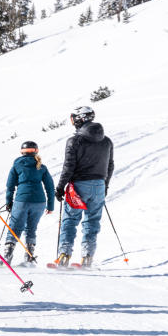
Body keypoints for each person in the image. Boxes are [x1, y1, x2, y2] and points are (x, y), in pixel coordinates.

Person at [54, 105, 114, 268]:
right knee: (92, 221)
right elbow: (110, 165)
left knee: (70, 219)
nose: (72, 122)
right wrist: (105, 185)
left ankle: (64, 254)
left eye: (73, 118)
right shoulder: (106, 141)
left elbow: (68, 166)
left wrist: (60, 188)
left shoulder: (75, 141)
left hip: (79, 186)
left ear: (80, 119)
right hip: (99, 185)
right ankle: (87, 256)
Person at [4, 141, 56, 266]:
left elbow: (10, 186)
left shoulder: (17, 165)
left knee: (15, 227)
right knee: (31, 228)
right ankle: (29, 257)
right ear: (36, 151)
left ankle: (7, 257)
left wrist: (9, 202)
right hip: (39, 202)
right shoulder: (41, 167)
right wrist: (50, 206)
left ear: (22, 152)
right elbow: (50, 187)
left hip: (22, 200)